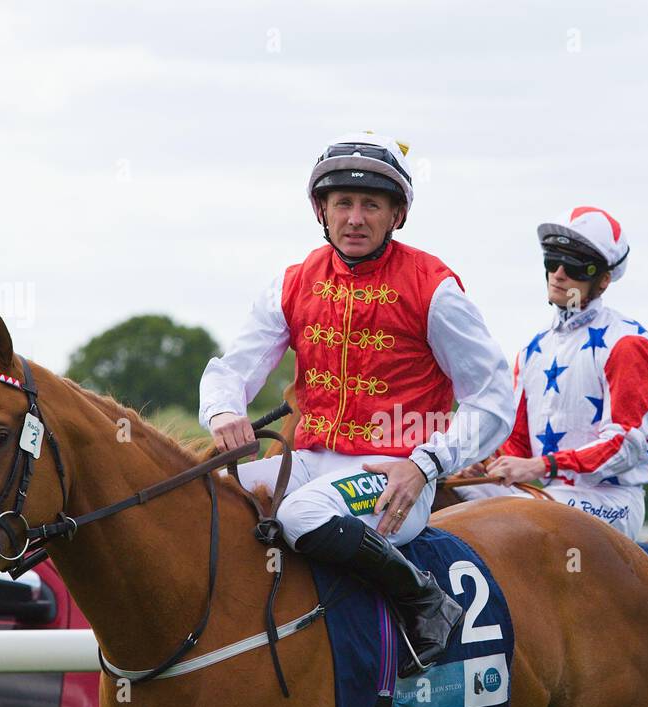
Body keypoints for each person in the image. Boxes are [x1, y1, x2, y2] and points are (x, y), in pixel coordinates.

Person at [200, 132, 514, 675]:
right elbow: (233, 369)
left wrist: (426, 464)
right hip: (310, 461)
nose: (355, 218)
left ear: (397, 215)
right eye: (342, 203)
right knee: (210, 498)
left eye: (372, 204)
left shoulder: (434, 290)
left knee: (301, 513)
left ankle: (426, 601)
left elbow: (493, 400)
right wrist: (225, 411)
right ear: (321, 210)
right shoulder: (294, 282)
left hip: (396, 472)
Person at [453, 207, 648, 543]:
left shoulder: (628, 345)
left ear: (603, 279)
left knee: (507, 519)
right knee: (445, 497)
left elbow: (625, 446)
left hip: (611, 502)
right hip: (552, 493)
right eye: (551, 261)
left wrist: (541, 466)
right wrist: (485, 463)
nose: (558, 273)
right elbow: (517, 442)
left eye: (573, 266)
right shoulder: (533, 349)